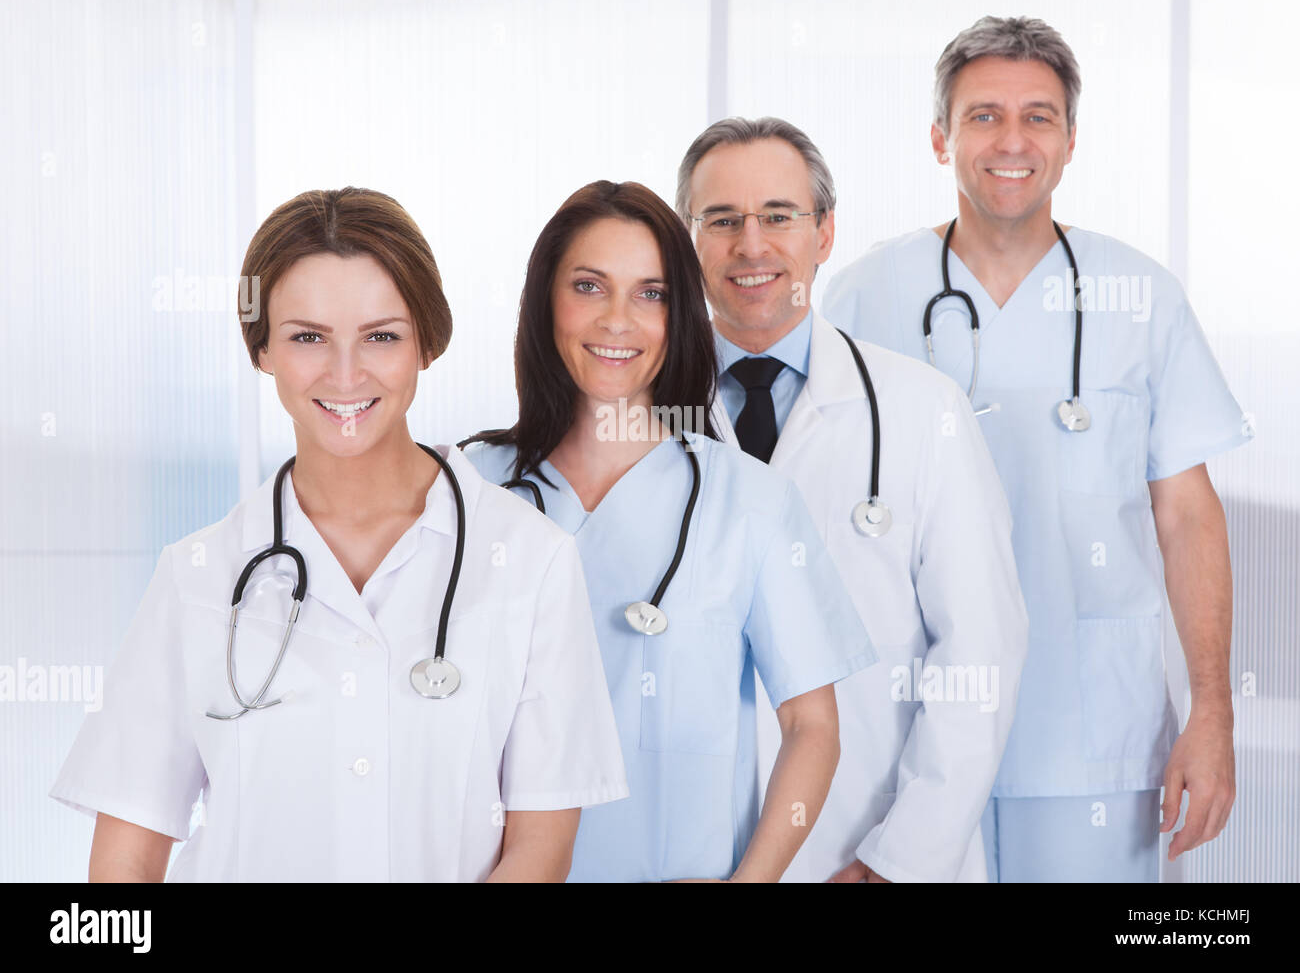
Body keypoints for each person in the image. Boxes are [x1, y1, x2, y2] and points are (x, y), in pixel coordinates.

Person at [49, 187, 627, 882]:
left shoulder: (532, 562)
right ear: (262, 347)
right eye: (307, 337)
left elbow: (541, 849)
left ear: (427, 344)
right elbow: (125, 859)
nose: (346, 374)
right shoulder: (197, 576)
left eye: (381, 336)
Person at [823, 16, 1250, 882]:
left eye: (1038, 117)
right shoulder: (865, 296)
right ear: (939, 137)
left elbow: (1187, 515)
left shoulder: (1142, 298)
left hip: (1090, 736)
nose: (1011, 141)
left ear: (1071, 140)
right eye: (983, 116)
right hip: (906, 742)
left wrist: (1213, 712)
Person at [462, 180, 875, 882]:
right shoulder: (470, 489)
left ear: (678, 313)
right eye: (588, 286)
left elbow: (812, 729)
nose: (617, 320)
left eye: (650, 294)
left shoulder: (750, 500)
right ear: (545, 302)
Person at [678, 118, 1028, 883]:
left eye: (779, 216)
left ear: (825, 233)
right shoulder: (640, 422)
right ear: (687, 241)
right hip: (689, 857)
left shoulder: (923, 412)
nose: (752, 245)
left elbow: (981, 651)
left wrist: (900, 859)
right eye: (722, 220)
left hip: (865, 849)